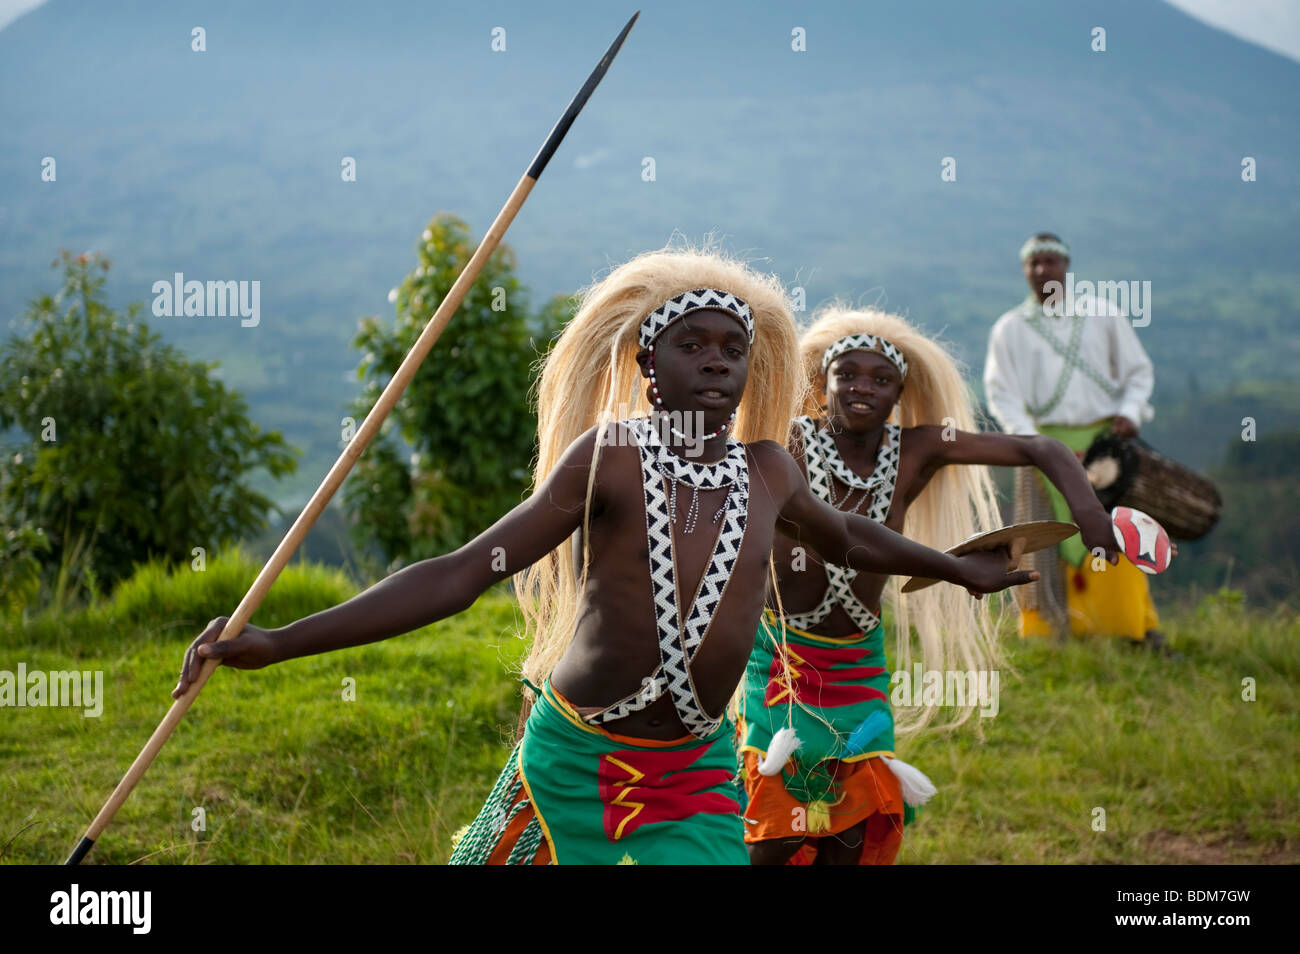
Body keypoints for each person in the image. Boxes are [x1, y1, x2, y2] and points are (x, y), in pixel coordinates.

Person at [174, 249, 1036, 866]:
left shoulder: (770, 470)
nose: (716, 362)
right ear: (647, 365)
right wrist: (278, 641)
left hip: (696, 773)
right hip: (573, 760)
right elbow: (464, 572)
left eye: (732, 350)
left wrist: (960, 567)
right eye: (691, 344)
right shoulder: (609, 456)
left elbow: (852, 538)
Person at [741, 306, 1117, 866]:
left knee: (850, 831)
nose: (862, 387)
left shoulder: (917, 449)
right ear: (823, 381)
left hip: (857, 662)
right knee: (776, 829)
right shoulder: (787, 442)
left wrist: (1088, 510)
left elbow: (1041, 448)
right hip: (780, 660)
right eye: (848, 374)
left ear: (900, 393)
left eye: (881, 379)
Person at [984, 232, 1164, 647]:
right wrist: (1029, 440)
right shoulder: (1009, 329)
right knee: (1043, 539)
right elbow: (1001, 394)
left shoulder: (1103, 315)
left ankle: (1124, 629)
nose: (1043, 269)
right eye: (1034, 262)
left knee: (1118, 533)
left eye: (1051, 261)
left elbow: (1138, 372)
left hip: (1107, 448)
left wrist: (1130, 413)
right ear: (1025, 270)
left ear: (1066, 267)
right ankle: (1049, 635)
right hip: (1040, 448)